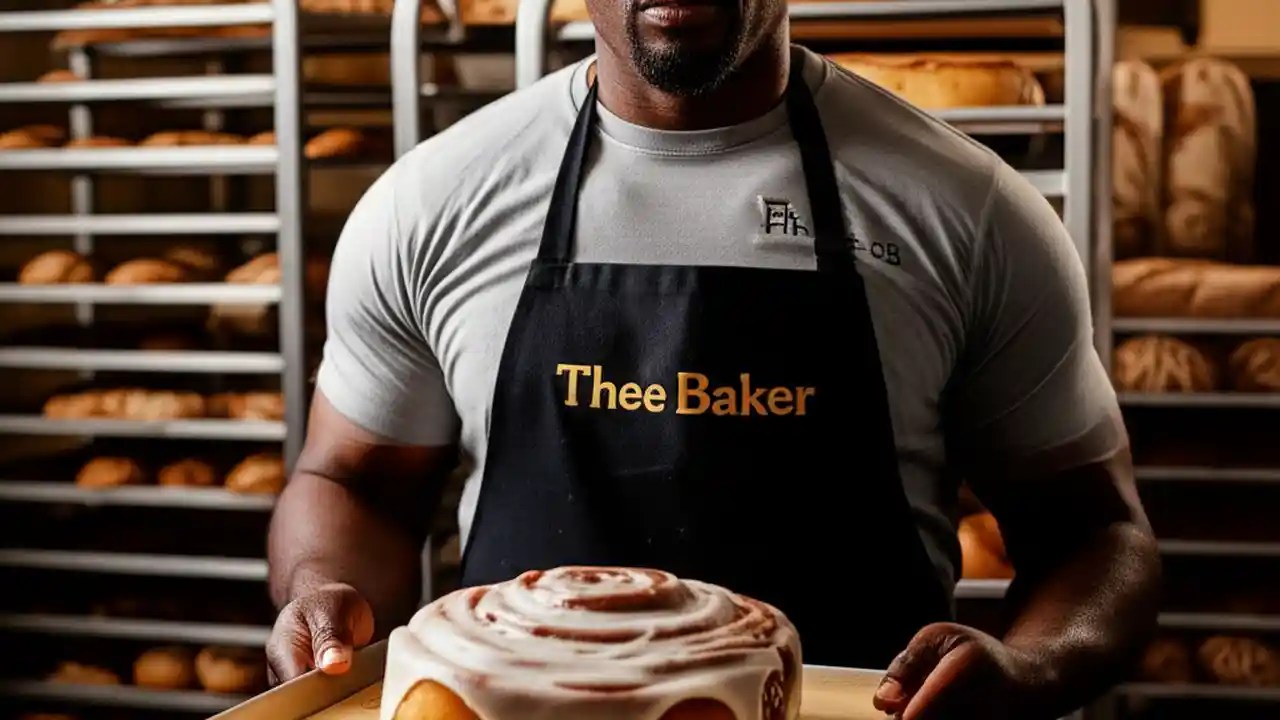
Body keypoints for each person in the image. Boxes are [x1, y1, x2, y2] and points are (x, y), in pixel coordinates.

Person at [266, 0, 1161, 716]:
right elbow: (355, 483)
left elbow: (1091, 528)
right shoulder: (433, 203)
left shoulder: (968, 211)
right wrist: (324, 592)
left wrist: (1035, 669)